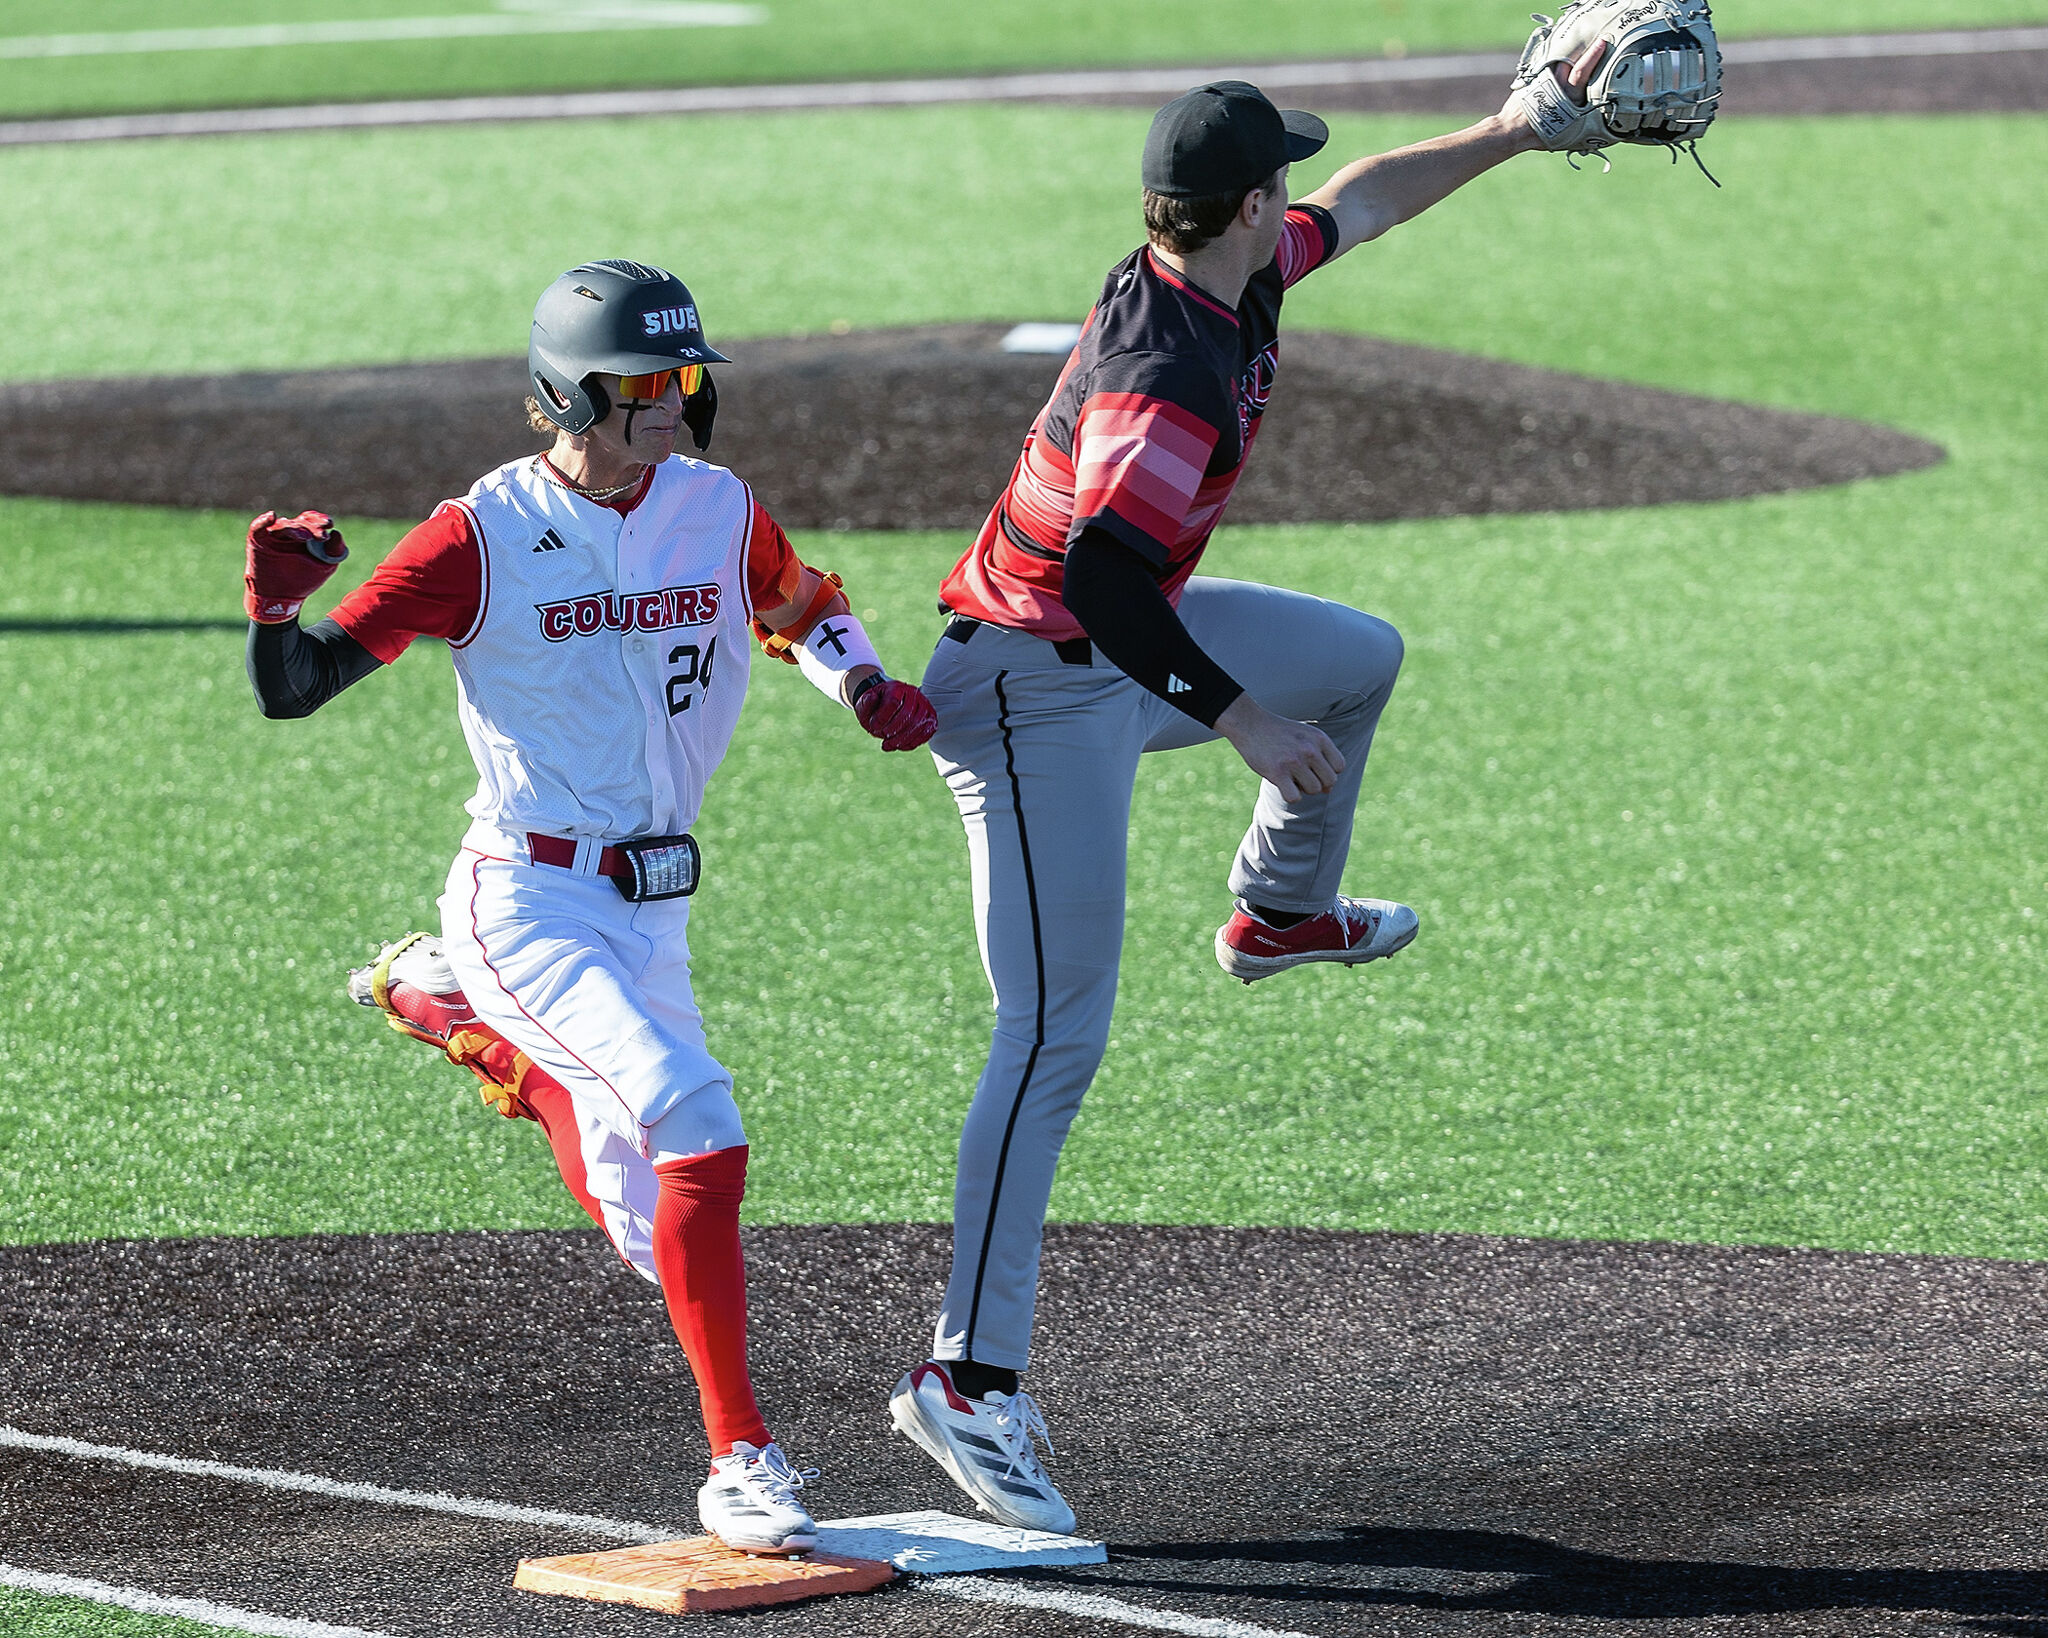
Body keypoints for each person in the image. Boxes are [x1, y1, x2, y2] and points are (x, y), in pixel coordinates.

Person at [889, 59, 1611, 1532]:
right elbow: (1098, 573)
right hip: (1033, 688)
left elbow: (1368, 201)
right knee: (1051, 1034)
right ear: (1241, 205)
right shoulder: (1167, 373)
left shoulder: (1225, 264)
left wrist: (1514, 130)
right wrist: (1239, 720)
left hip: (1109, 645)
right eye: (1282, 174)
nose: (1302, 190)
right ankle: (969, 1378)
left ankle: (1277, 915)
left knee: (1358, 657)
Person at [242, 258, 936, 1555]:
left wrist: (861, 685)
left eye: (685, 379)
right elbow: (296, 682)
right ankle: (742, 1460)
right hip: (528, 901)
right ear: (568, 393)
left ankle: (464, 1024)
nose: (675, 404)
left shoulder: (715, 506)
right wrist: (277, 599)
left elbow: (798, 604)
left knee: (643, 1220)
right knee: (700, 1126)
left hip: (652, 908)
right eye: (645, 384)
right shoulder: (480, 535)